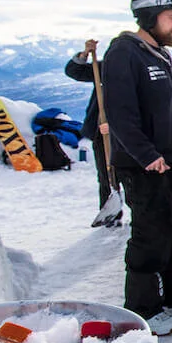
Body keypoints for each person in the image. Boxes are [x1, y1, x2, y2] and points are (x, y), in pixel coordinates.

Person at [104, 0, 172, 336]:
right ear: (151, 18)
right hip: (142, 165)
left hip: (169, 159)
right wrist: (147, 154)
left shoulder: (158, 53)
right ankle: (143, 308)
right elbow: (120, 114)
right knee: (151, 234)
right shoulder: (124, 53)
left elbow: (163, 110)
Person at [64, 38, 117, 224]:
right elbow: (74, 71)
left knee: (125, 173)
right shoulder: (104, 69)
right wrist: (86, 53)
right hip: (100, 130)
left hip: (125, 131)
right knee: (105, 173)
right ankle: (109, 214)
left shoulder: (135, 70)